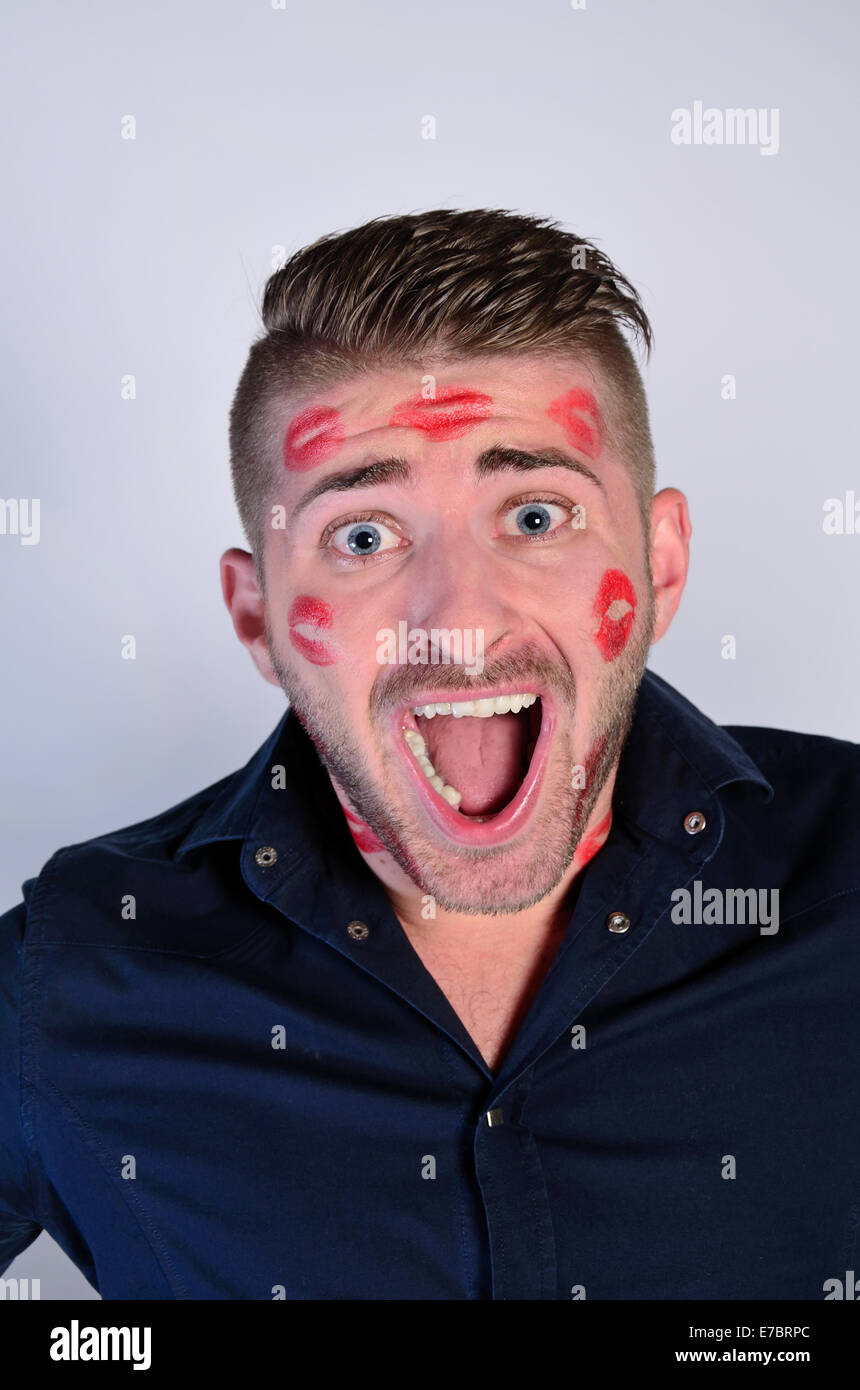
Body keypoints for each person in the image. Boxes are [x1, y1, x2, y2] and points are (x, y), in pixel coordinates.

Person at [2, 209, 858, 1301]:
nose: (458, 614)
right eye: (364, 535)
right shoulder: (73, 974)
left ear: (659, 562)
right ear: (257, 614)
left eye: (535, 514)